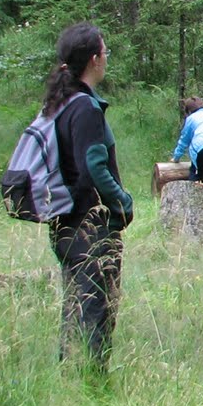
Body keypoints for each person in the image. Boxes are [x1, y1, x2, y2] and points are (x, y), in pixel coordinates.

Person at [44, 22, 132, 371]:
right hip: (89, 225)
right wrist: (122, 202)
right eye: (105, 51)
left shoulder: (61, 102)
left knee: (76, 302)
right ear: (95, 59)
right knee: (97, 306)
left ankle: (70, 373)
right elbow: (94, 167)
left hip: (63, 220)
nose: (107, 57)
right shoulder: (86, 107)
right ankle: (92, 379)